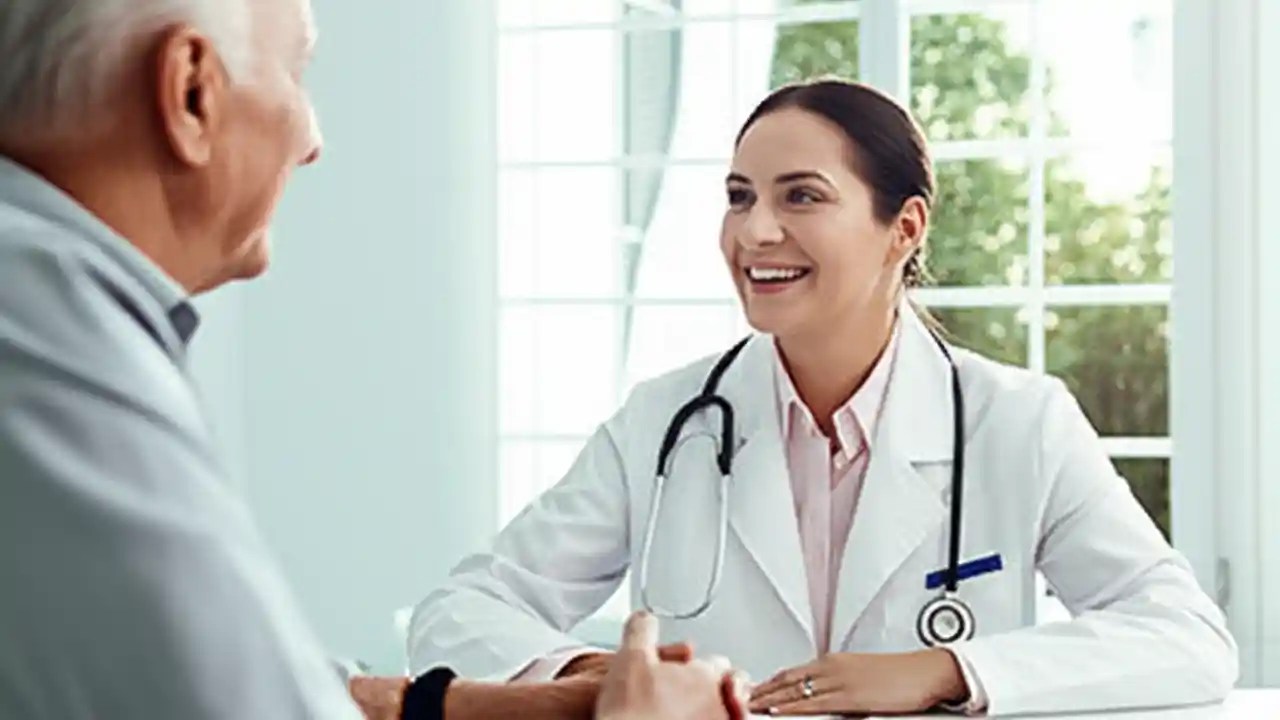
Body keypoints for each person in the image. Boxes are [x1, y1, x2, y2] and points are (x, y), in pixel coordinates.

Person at [0, 0, 745, 718]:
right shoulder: (49, 336)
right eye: (297, 72)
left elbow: (188, 671)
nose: (312, 139)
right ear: (191, 90)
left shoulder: (42, 295)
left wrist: (486, 707)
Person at [408, 77, 1241, 717]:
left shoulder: (1018, 421)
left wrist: (947, 670)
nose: (754, 232)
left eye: (800, 195)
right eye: (739, 197)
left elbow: (1186, 635)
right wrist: (596, 677)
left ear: (904, 228)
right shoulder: (665, 422)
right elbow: (463, 609)